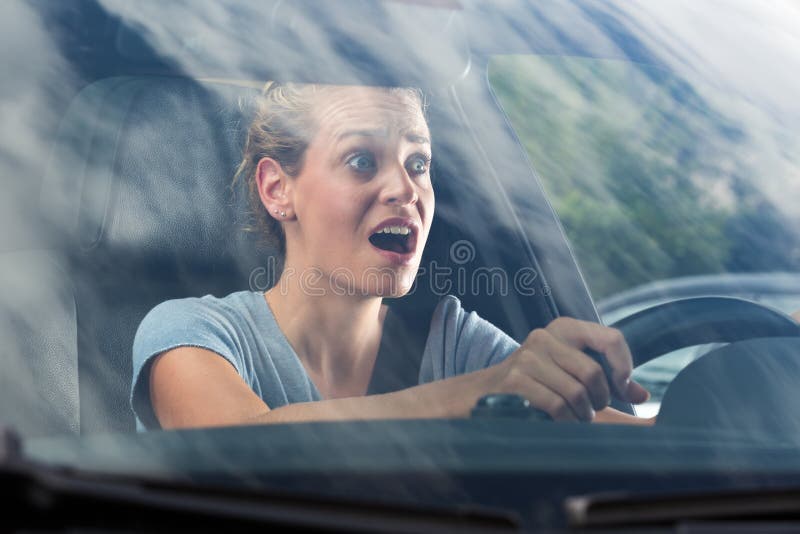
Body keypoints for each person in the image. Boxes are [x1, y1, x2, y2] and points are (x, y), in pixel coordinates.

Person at [130, 83, 653, 431]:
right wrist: (485, 394)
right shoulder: (189, 334)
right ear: (276, 189)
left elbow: (632, 445)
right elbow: (242, 449)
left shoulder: (453, 341)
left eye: (418, 161)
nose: (406, 189)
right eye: (361, 160)